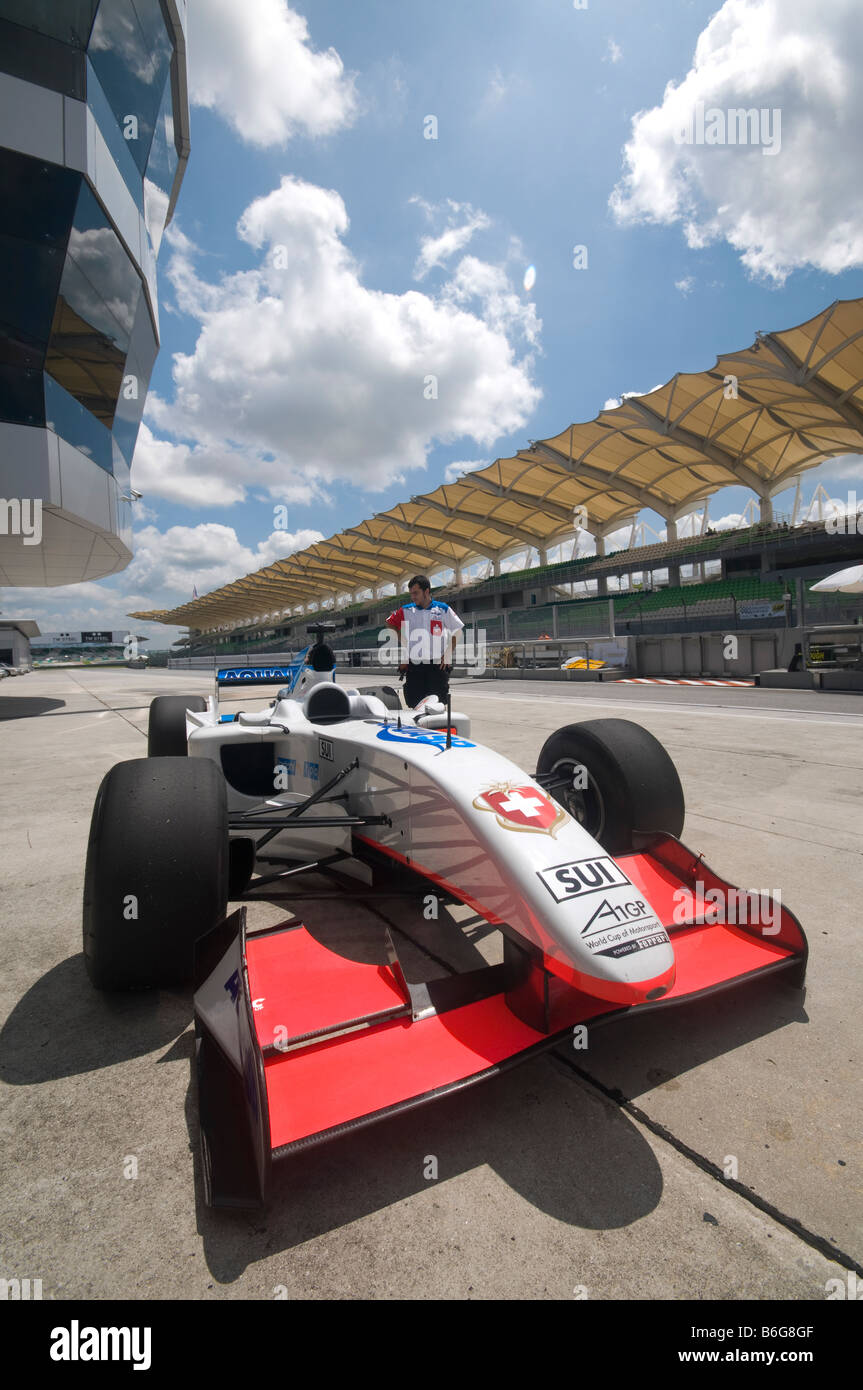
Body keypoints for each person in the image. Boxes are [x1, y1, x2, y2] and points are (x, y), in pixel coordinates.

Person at [386, 575, 464, 707]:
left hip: (437, 665)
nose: (413, 597)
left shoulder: (442, 609)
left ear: (426, 591)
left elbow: (458, 631)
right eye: (411, 594)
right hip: (415, 666)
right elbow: (389, 623)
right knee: (415, 705)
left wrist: (448, 653)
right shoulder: (406, 610)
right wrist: (403, 641)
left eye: (416, 593)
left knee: (438, 706)